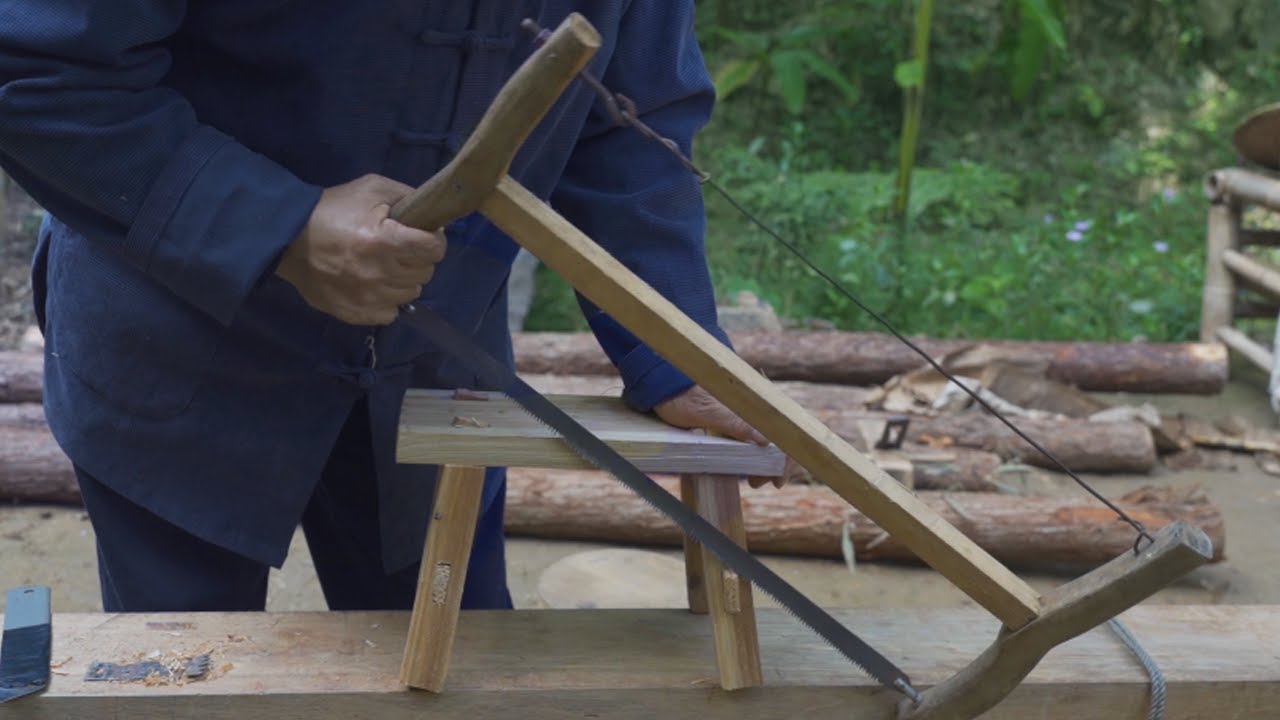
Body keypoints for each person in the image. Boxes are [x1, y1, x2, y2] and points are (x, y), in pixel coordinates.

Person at [0, 2, 783, 614]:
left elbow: (628, 121)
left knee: (455, 669)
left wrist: (671, 350)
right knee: (187, 677)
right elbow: (31, 65)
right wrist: (277, 228)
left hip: (436, 366)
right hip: (176, 345)